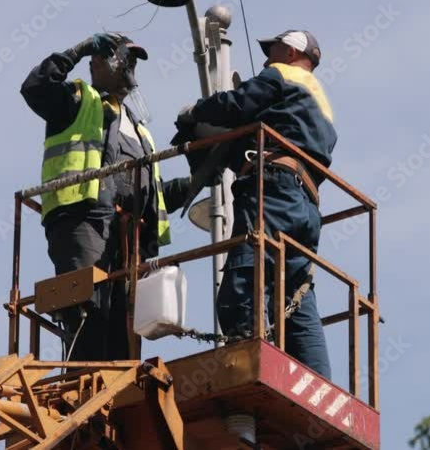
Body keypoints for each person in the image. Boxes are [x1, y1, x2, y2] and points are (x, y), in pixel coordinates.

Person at [21, 32, 188, 361]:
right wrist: (78, 48)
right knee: (88, 309)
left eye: (134, 63)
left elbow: (152, 195)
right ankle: (85, 390)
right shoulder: (78, 100)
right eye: (127, 58)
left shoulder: (140, 131)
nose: (131, 68)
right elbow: (35, 87)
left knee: (123, 324)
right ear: (100, 63)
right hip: (82, 221)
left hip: (126, 239)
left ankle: (117, 399)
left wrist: (197, 180)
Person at [178, 30, 335, 378]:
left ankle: (247, 367)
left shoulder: (282, 75)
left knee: (244, 278)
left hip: (273, 192)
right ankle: (319, 383)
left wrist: (196, 112)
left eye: (273, 50)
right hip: (306, 204)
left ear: (292, 52)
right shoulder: (320, 104)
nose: (267, 60)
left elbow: (237, 105)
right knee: (295, 294)